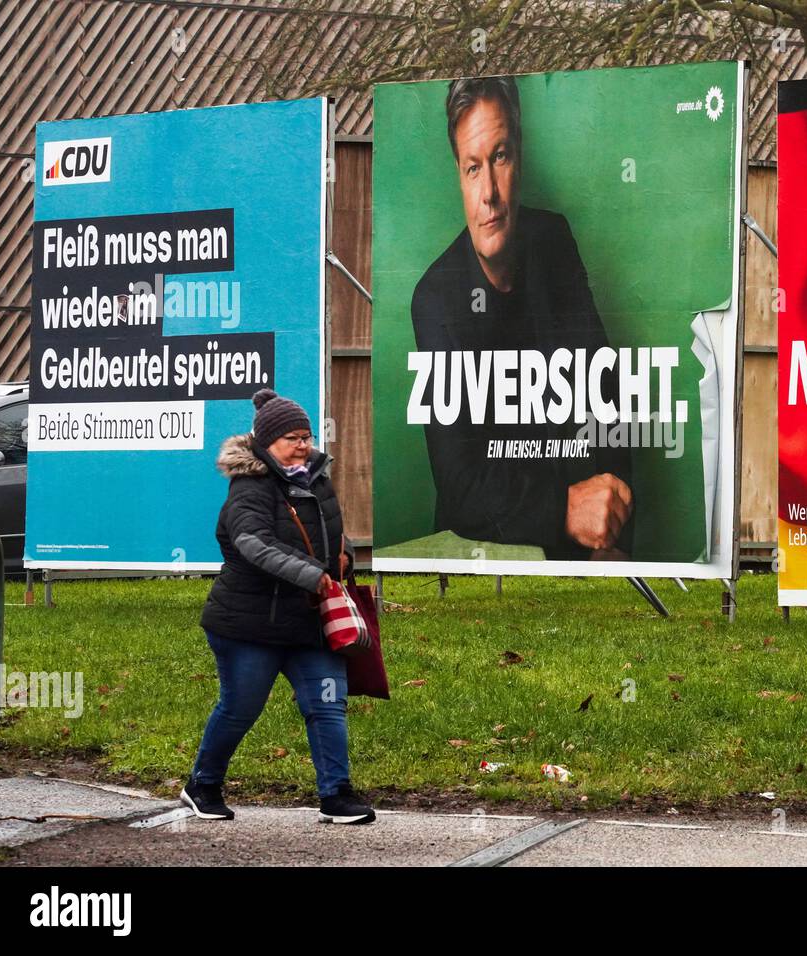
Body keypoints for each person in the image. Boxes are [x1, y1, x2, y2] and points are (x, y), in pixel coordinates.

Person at [409, 75, 634, 560]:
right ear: (458, 176)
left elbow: (606, 394)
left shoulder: (552, 239)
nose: (489, 192)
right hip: (486, 550)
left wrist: (608, 525)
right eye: (472, 168)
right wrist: (566, 511)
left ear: (521, 155)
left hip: (577, 546)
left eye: (500, 157)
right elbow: (461, 486)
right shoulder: (435, 297)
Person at [181, 388, 375, 824]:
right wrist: (314, 574)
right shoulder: (249, 487)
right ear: (265, 443)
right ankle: (203, 784)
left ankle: (336, 795)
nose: (302, 444)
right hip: (249, 625)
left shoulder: (318, 478)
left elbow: (331, 533)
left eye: (305, 435)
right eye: (291, 437)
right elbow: (253, 544)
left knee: (327, 703)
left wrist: (344, 556)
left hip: (310, 622)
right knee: (241, 707)